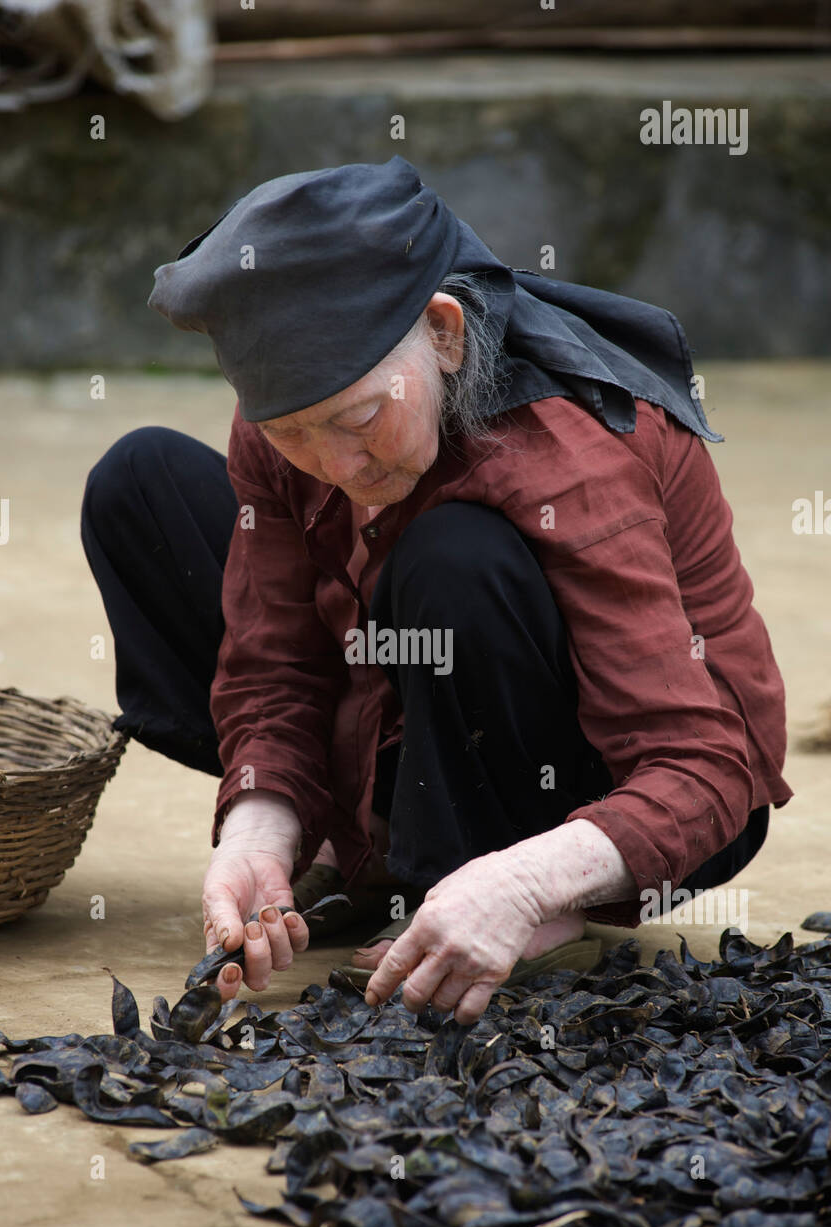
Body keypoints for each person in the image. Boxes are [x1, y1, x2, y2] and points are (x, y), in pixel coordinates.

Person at [81, 157, 791, 1025]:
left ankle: (483, 889)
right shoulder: (291, 406)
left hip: (634, 791)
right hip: (404, 694)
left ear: (445, 333)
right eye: (295, 435)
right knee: (140, 481)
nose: (340, 468)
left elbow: (704, 770)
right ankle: (369, 842)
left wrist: (524, 884)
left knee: (450, 553)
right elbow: (272, 659)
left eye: (359, 419)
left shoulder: (570, 452)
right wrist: (260, 828)